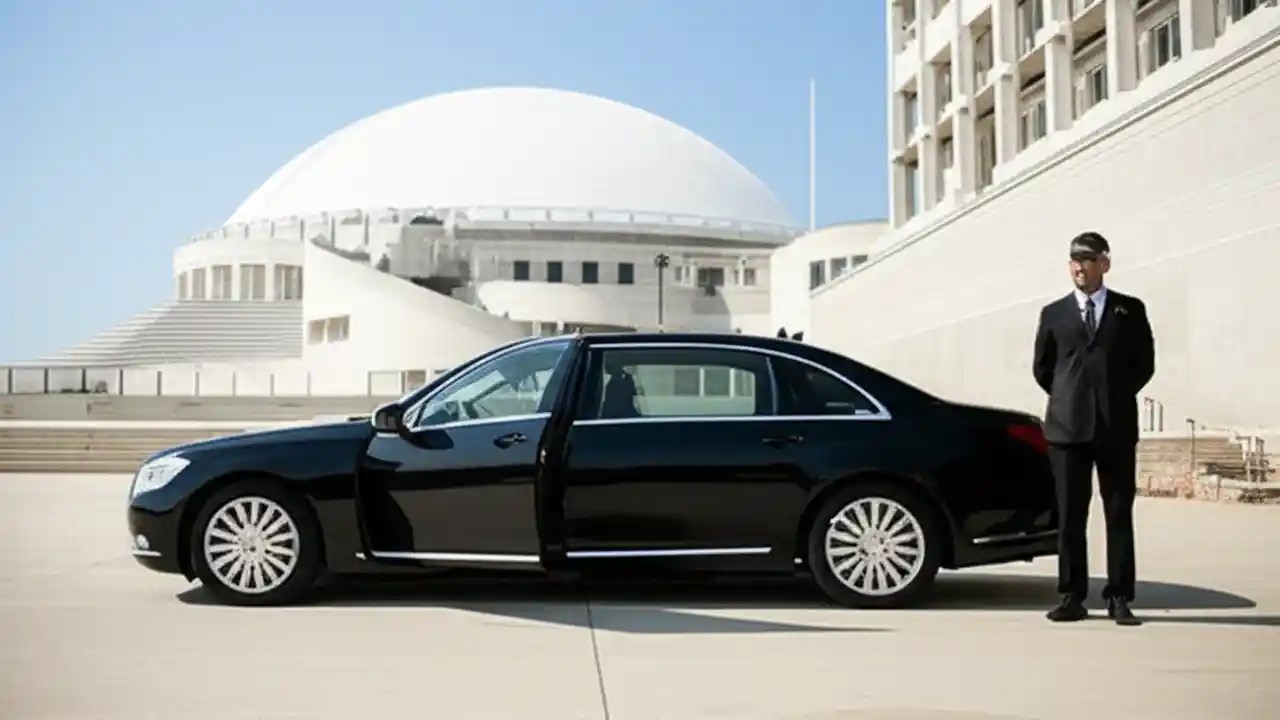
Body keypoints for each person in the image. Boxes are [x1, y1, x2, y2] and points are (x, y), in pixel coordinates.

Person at [1032, 231, 1155, 626]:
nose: (1078, 266)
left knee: (1118, 513)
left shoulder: (1129, 310)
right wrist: (1071, 396)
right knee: (1070, 516)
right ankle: (1072, 596)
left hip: (1115, 428)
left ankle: (1120, 596)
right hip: (1067, 431)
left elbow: (1144, 364)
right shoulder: (1054, 314)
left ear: (1105, 263)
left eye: (1086, 259)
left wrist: (1112, 395)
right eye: (1073, 259)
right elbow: (1043, 369)